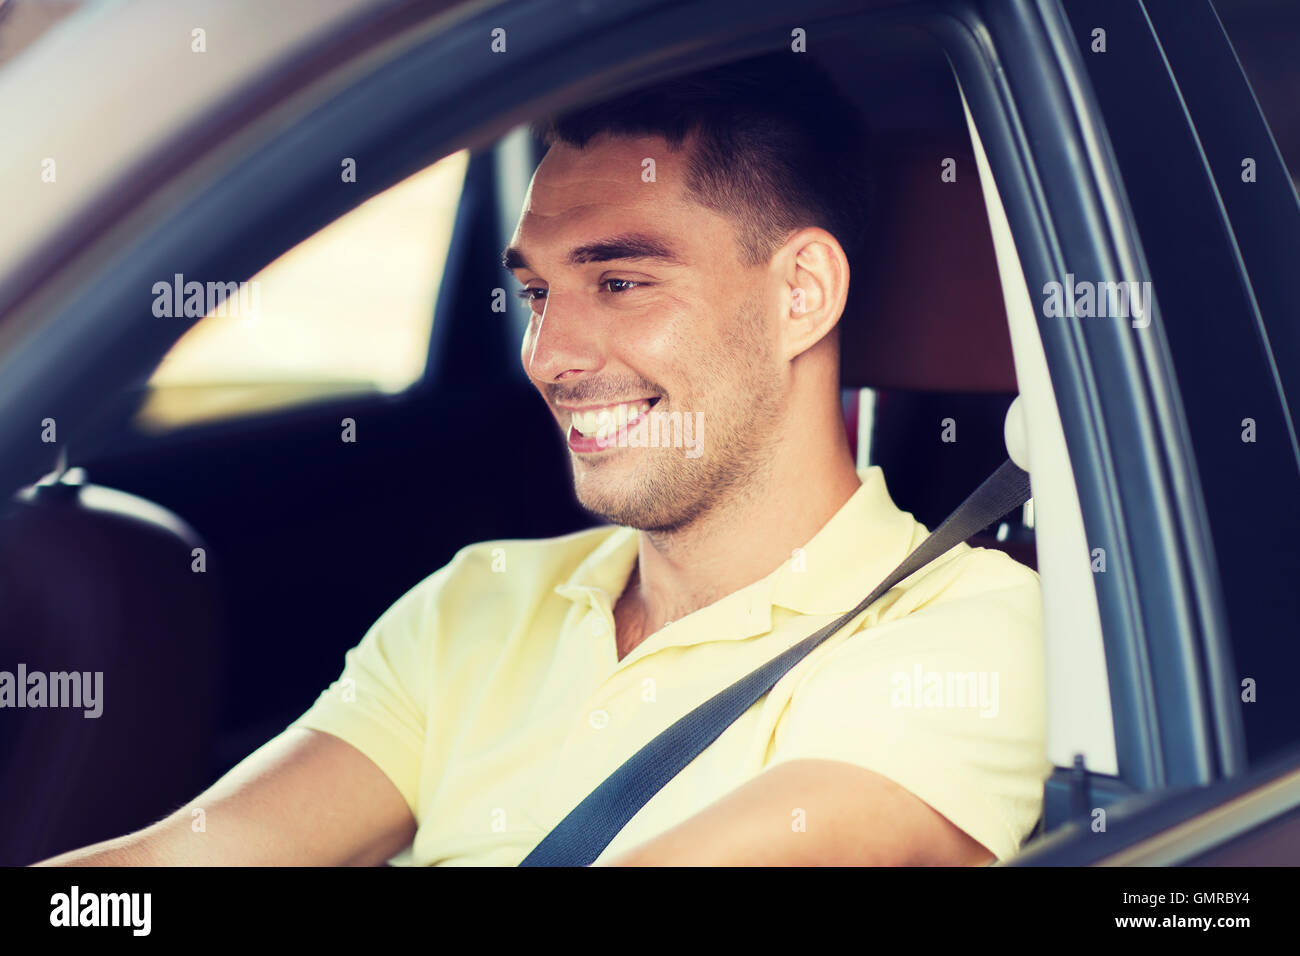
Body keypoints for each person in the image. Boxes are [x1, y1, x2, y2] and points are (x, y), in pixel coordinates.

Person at [38, 53, 1047, 867]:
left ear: (800, 294)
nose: (549, 356)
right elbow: (183, 860)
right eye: (537, 293)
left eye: (619, 280)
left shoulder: (958, 630)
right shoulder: (480, 601)